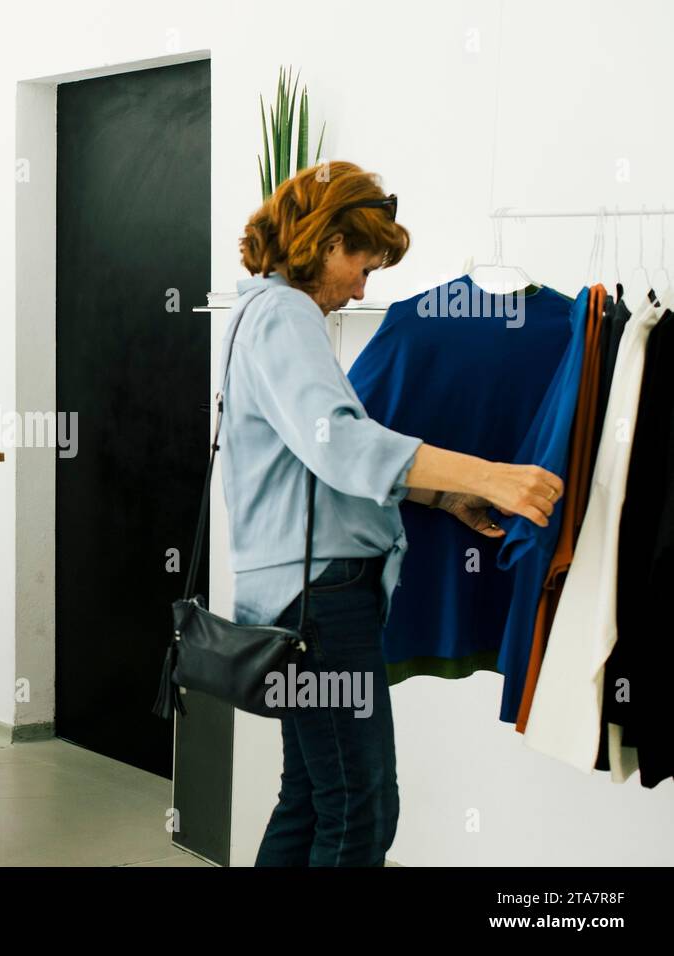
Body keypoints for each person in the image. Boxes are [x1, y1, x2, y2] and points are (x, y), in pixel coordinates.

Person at [226, 161, 563, 866]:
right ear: (324, 242)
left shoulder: (261, 313)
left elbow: (314, 462)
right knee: (362, 811)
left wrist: (444, 495)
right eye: (361, 263)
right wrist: (494, 476)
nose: (360, 286)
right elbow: (343, 443)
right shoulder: (286, 315)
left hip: (293, 597)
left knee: (313, 797)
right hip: (320, 602)